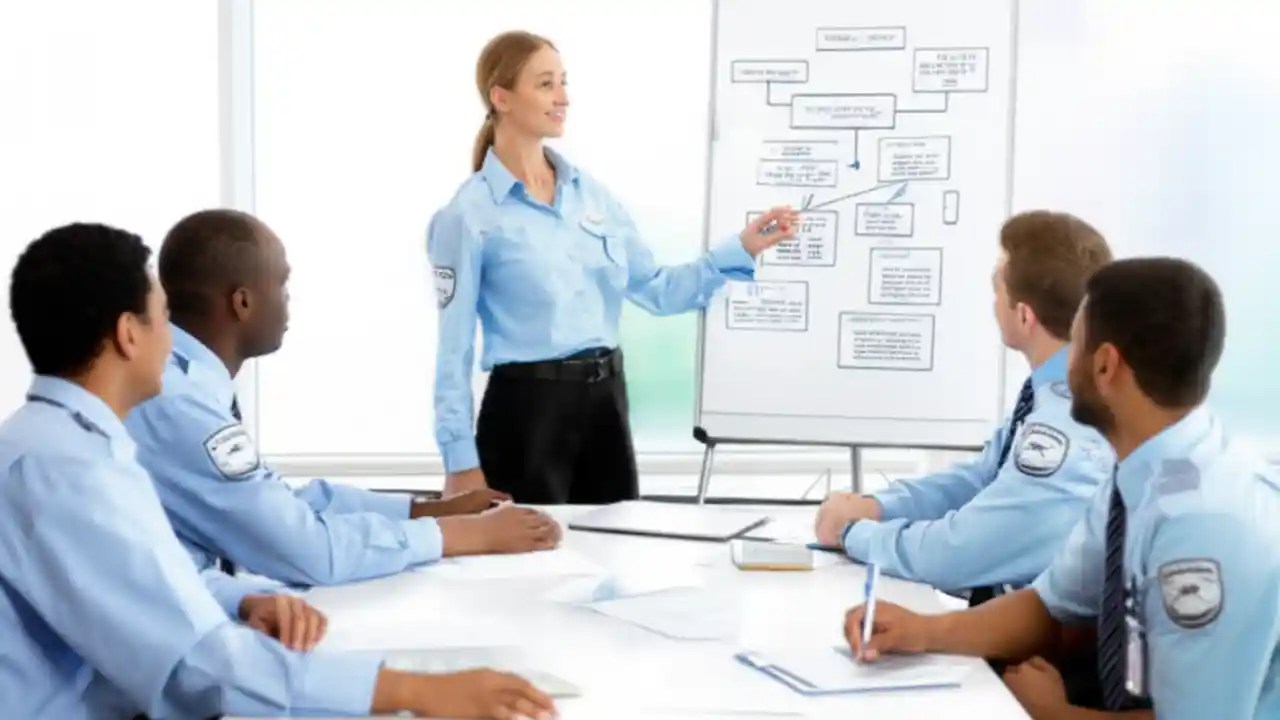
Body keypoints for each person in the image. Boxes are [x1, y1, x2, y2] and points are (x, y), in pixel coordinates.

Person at [0, 223, 557, 719]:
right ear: (129, 333)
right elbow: (199, 666)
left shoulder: (66, 446)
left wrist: (235, 600)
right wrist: (417, 690)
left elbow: (149, 569)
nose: (171, 338)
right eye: (162, 316)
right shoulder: (66, 470)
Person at [845, 258, 1280, 720]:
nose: (1063, 361)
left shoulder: (1206, 525)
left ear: (1106, 365)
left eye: (1075, 342)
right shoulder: (1145, 471)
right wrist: (923, 631)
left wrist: (1052, 714)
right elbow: (1050, 609)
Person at [428, 30, 800, 504]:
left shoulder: (591, 195)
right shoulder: (467, 217)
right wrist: (460, 462)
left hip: (606, 408)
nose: (564, 97)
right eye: (545, 84)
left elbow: (656, 289)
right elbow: (453, 351)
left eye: (563, 82)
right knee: (531, 570)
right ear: (501, 97)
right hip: (526, 416)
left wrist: (742, 249)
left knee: (614, 559)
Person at [125, 209, 562, 587]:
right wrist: (467, 535)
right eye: (282, 284)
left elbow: (277, 501)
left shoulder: (187, 380)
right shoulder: (177, 402)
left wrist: (425, 510)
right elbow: (305, 549)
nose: (288, 300)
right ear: (242, 302)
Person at [814, 211, 1115, 597]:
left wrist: (853, 534)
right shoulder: (1053, 395)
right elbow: (981, 481)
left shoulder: (1067, 427)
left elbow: (960, 553)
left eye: (997, 291)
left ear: (1024, 316)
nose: (992, 305)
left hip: (1051, 649)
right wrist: (877, 507)